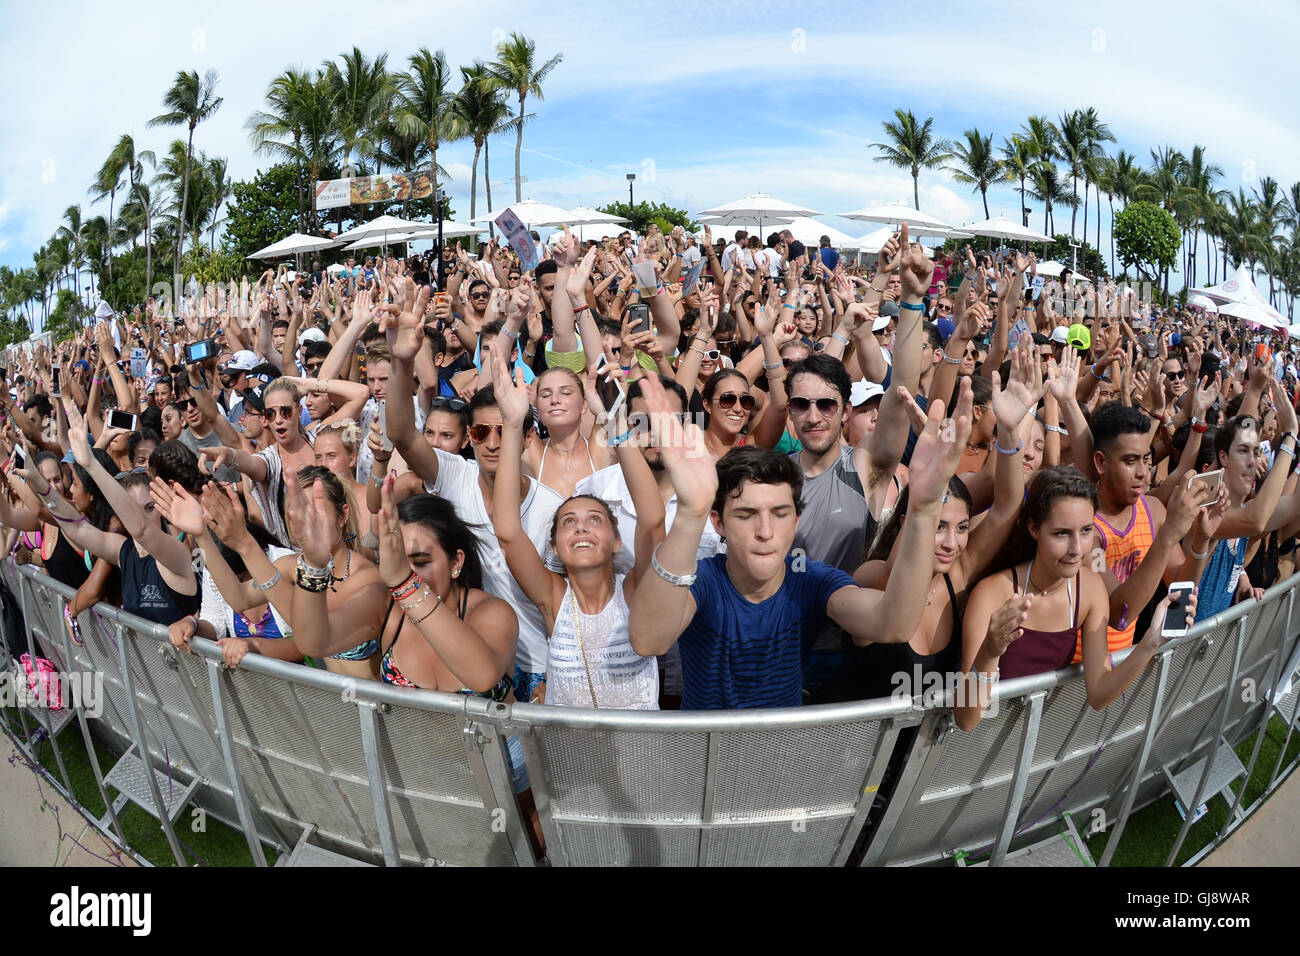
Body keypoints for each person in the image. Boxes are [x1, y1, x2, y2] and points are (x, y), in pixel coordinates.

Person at [628, 368, 977, 709]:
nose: (765, 532)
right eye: (746, 515)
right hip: (705, 762)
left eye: (779, 514)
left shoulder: (811, 580)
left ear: (796, 520)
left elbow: (894, 623)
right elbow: (648, 640)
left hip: (788, 761)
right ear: (718, 523)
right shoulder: (702, 579)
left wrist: (923, 509)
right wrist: (691, 511)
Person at [956, 466, 1198, 730]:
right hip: (974, 754)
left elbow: (1098, 693)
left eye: (1085, 531)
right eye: (1062, 533)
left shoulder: (1090, 589)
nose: (1076, 549)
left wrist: (1150, 642)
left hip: (1036, 749)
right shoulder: (992, 594)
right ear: (1034, 528)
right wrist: (989, 653)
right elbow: (966, 720)